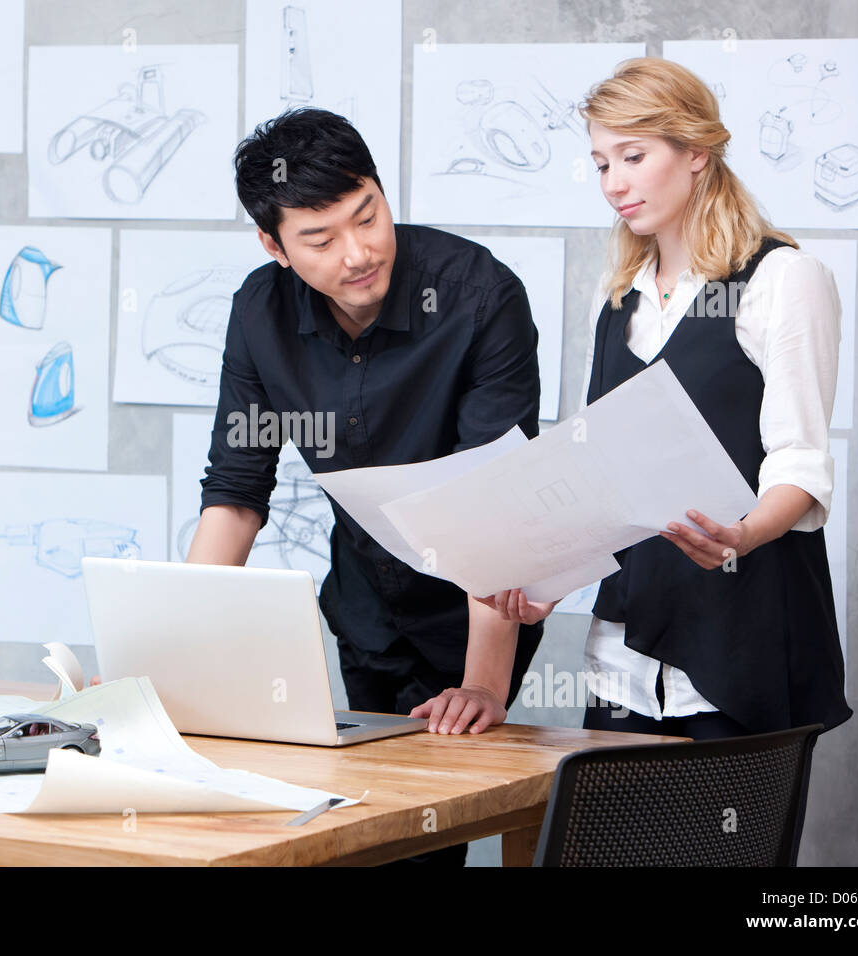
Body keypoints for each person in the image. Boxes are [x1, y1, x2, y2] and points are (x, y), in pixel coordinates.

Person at [191, 108, 545, 862]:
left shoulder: (479, 294)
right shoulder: (260, 313)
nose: (358, 253)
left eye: (368, 216)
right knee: (361, 840)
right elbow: (236, 490)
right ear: (274, 246)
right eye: (320, 239)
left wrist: (484, 685)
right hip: (365, 608)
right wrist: (176, 658)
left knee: (436, 833)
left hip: (474, 609)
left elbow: (497, 494)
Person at [486, 58, 852, 741]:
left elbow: (799, 460)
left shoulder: (784, 280)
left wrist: (740, 536)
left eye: (633, 155)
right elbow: (606, 479)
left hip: (742, 646)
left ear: (696, 153)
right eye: (600, 163)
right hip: (624, 655)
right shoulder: (617, 296)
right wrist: (549, 584)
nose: (614, 184)